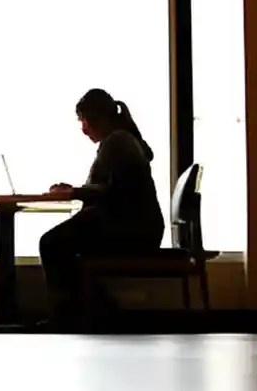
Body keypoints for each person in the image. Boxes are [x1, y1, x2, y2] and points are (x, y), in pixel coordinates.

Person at [39, 89, 164, 323]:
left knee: (51, 243)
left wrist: (75, 192)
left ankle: (72, 314)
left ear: (96, 118)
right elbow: (112, 187)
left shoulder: (117, 142)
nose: (83, 128)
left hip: (130, 230)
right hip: (140, 228)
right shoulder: (122, 140)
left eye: (83, 120)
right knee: (61, 245)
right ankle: (98, 310)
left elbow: (111, 191)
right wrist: (76, 191)